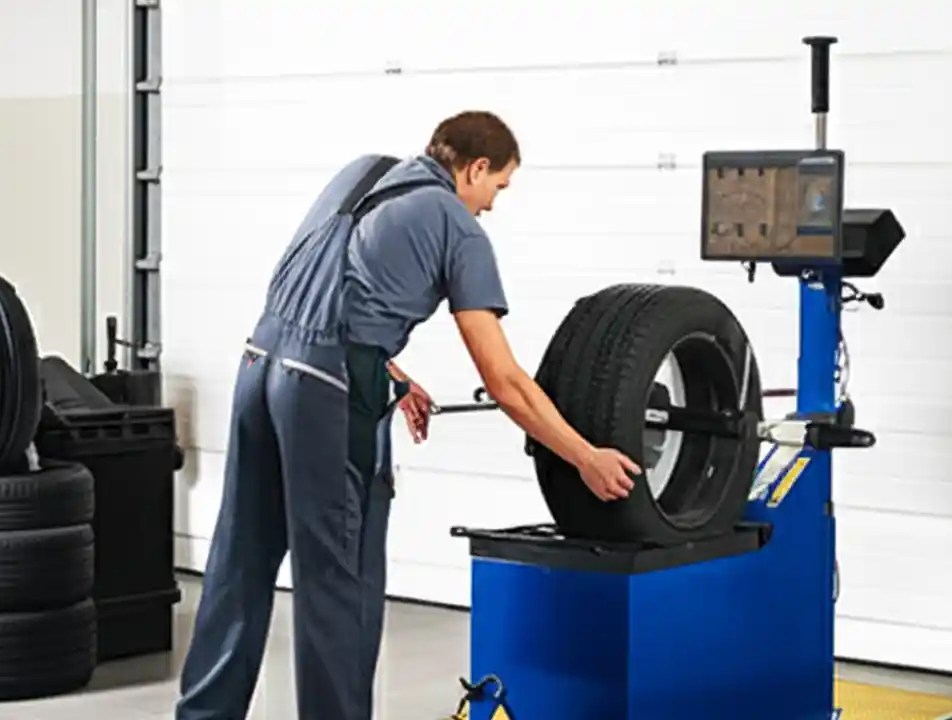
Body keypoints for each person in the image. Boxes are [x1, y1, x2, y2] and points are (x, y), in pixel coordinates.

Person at [174, 111, 640, 720]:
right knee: (339, 582)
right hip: (326, 391)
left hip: (259, 365)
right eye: (497, 187)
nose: (493, 206)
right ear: (474, 169)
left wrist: (386, 369)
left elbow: (326, 284)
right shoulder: (458, 227)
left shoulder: (360, 175)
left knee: (241, 559)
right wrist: (584, 456)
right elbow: (505, 382)